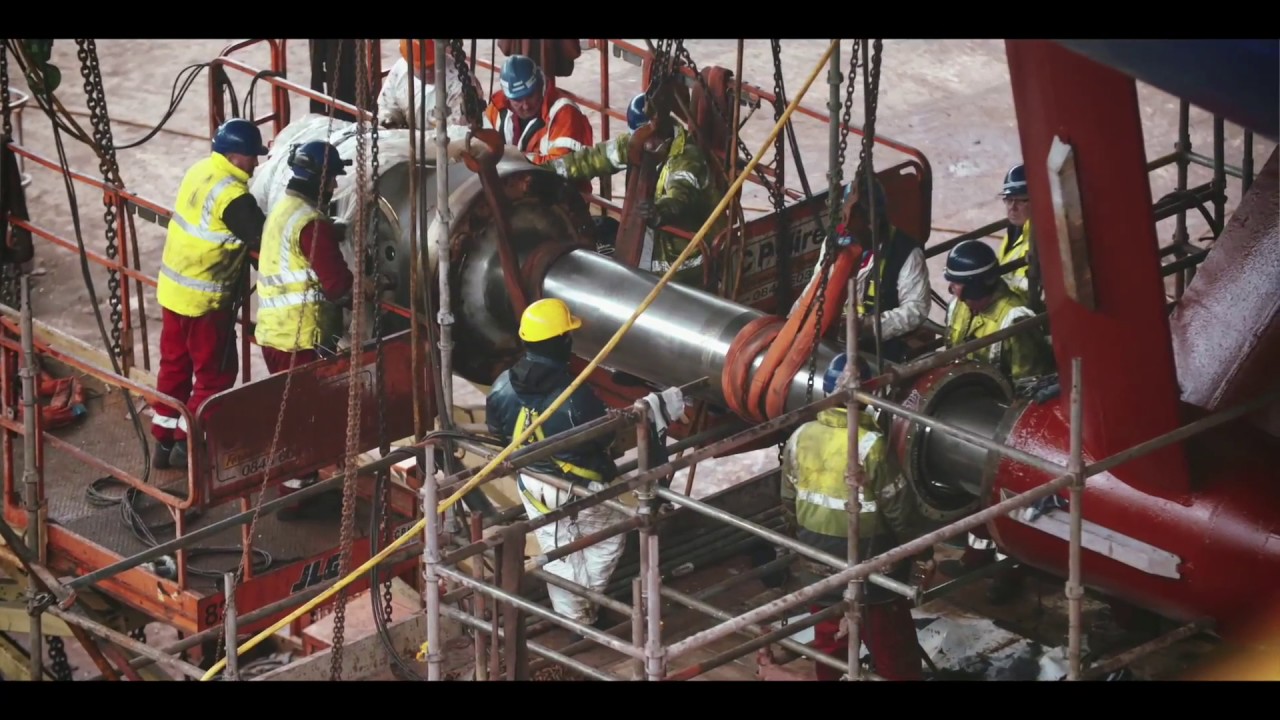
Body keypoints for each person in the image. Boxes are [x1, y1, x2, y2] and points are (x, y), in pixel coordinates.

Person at [761, 353, 926, 681]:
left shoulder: (800, 437)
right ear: (865, 398)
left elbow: (788, 501)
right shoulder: (871, 444)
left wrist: (803, 541)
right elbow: (898, 508)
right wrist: (921, 549)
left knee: (830, 639)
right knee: (891, 643)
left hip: (818, 558)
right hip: (870, 560)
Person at [485, 298, 625, 628]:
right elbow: (603, 438)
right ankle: (583, 610)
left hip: (532, 482)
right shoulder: (576, 396)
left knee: (558, 549)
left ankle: (577, 615)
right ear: (563, 342)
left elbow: (497, 433)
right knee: (609, 537)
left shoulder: (502, 386)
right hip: (581, 483)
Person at [938, 239, 1055, 603]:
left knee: (1006, 497)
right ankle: (979, 555)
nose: (950, 289)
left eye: (956, 283)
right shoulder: (961, 307)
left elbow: (1030, 384)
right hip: (971, 409)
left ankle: (1011, 569)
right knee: (977, 491)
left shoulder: (1014, 320)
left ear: (974, 286)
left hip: (1007, 421)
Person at [151, 118, 268, 470]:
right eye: (252, 157)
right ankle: (191, 444)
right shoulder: (232, 195)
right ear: (235, 157)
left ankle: (163, 440)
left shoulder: (200, 170)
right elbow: (262, 236)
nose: (256, 164)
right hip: (205, 302)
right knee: (215, 375)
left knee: (174, 366)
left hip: (173, 293)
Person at [254, 140, 360, 498]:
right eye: (331, 180)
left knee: (294, 415)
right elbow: (338, 287)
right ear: (320, 179)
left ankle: (299, 485)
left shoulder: (285, 209)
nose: (333, 187)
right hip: (299, 339)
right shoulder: (311, 224)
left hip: (274, 333)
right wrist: (371, 287)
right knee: (304, 419)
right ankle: (296, 496)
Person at [548, 93, 726, 288]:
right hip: (651, 244)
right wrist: (548, 170)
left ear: (659, 133)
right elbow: (594, 158)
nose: (640, 146)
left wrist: (659, 212)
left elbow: (680, 196)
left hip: (684, 263)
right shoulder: (641, 144)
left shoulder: (687, 159)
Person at [793, 173, 930, 363]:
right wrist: (793, 320)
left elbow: (916, 308)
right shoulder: (836, 243)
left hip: (880, 349)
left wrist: (868, 326)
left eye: (855, 222)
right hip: (833, 339)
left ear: (874, 222)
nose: (847, 229)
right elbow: (817, 286)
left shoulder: (906, 253)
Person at [482, 54, 593, 167]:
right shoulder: (497, 107)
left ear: (540, 85)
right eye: (517, 100)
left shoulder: (565, 114)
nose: (525, 106)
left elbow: (563, 166)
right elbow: (480, 146)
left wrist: (513, 157)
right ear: (507, 97)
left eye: (530, 96)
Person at [377, 40, 487, 139]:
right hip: (405, 143)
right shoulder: (400, 71)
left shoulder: (459, 83)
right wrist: (391, 125)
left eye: (432, 65)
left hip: (448, 151)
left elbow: (461, 135)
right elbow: (387, 106)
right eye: (422, 67)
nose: (428, 71)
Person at [997, 163, 1034, 301]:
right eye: (1009, 200)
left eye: (1021, 200)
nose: (1012, 207)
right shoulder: (1015, 228)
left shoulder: (1038, 241)